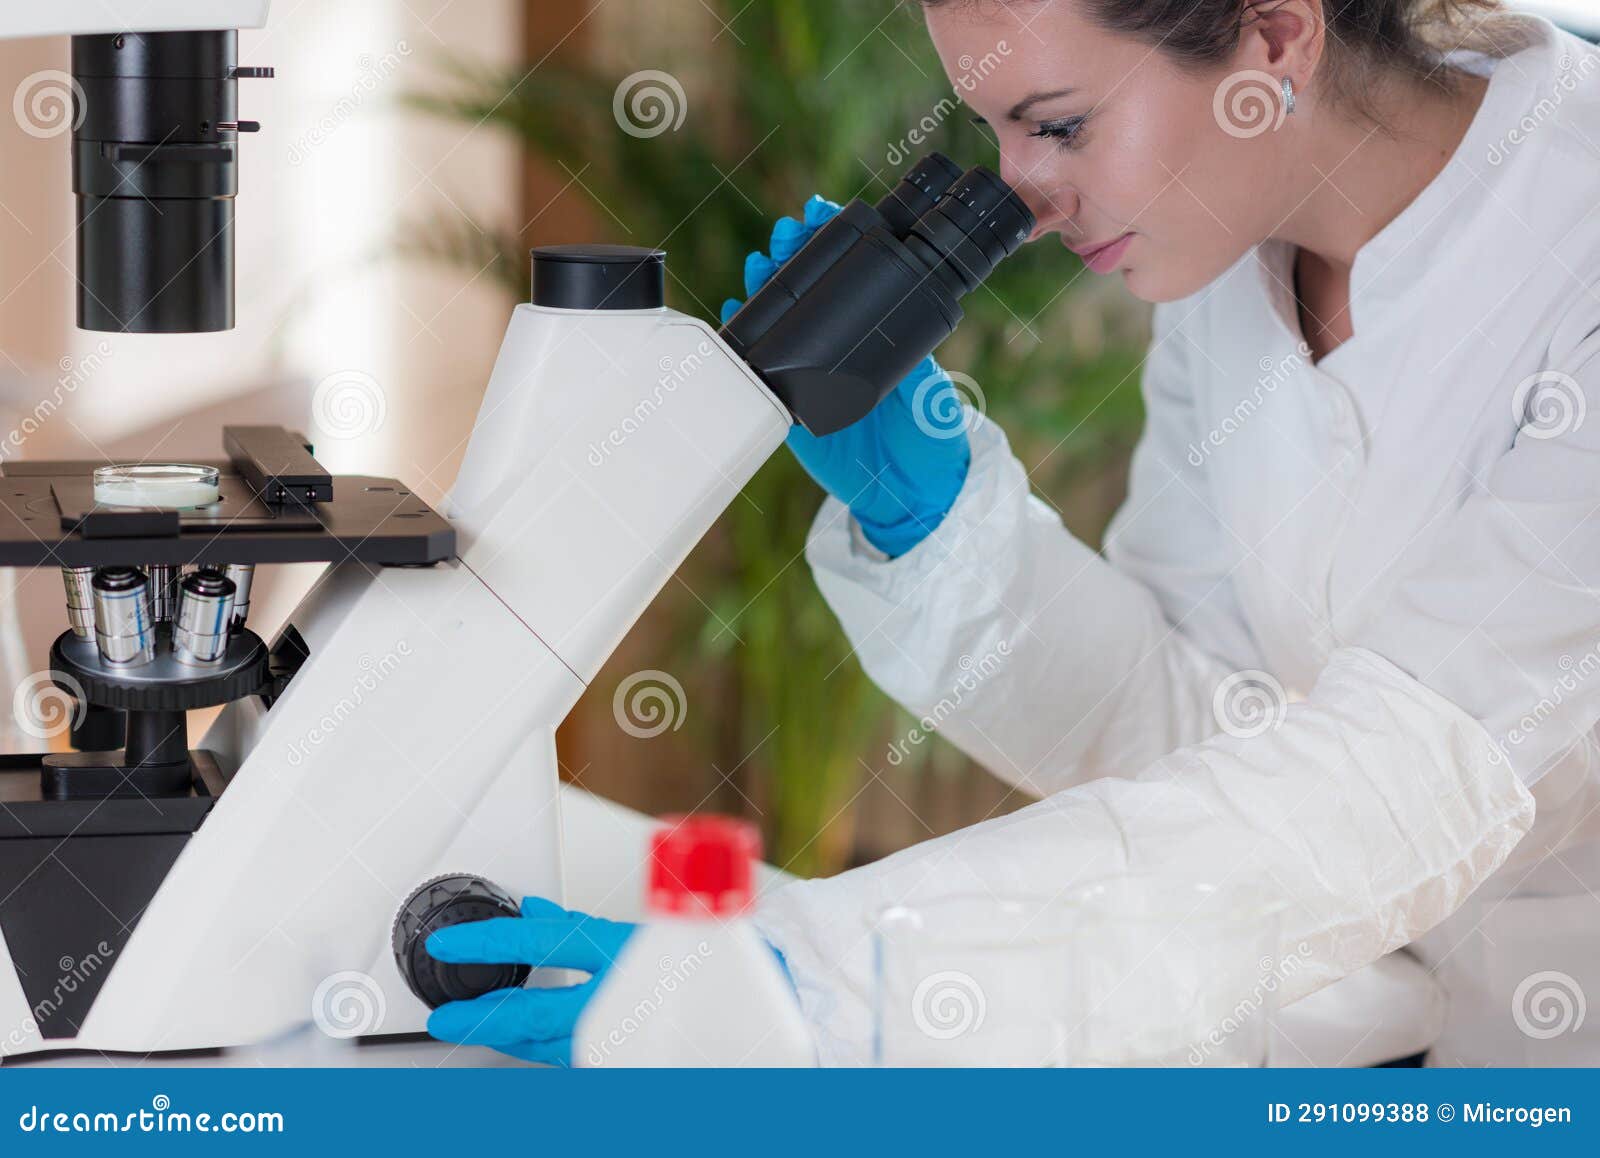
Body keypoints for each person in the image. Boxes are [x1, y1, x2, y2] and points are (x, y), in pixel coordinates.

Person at [426, 0, 1600, 1066]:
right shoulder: (1229, 266)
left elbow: (1408, 776)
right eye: (997, 131)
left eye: (1062, 124)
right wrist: (945, 536)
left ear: (1277, 36)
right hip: (1404, 1033)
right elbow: (1198, 741)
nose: (1024, 195)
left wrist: (825, 980)